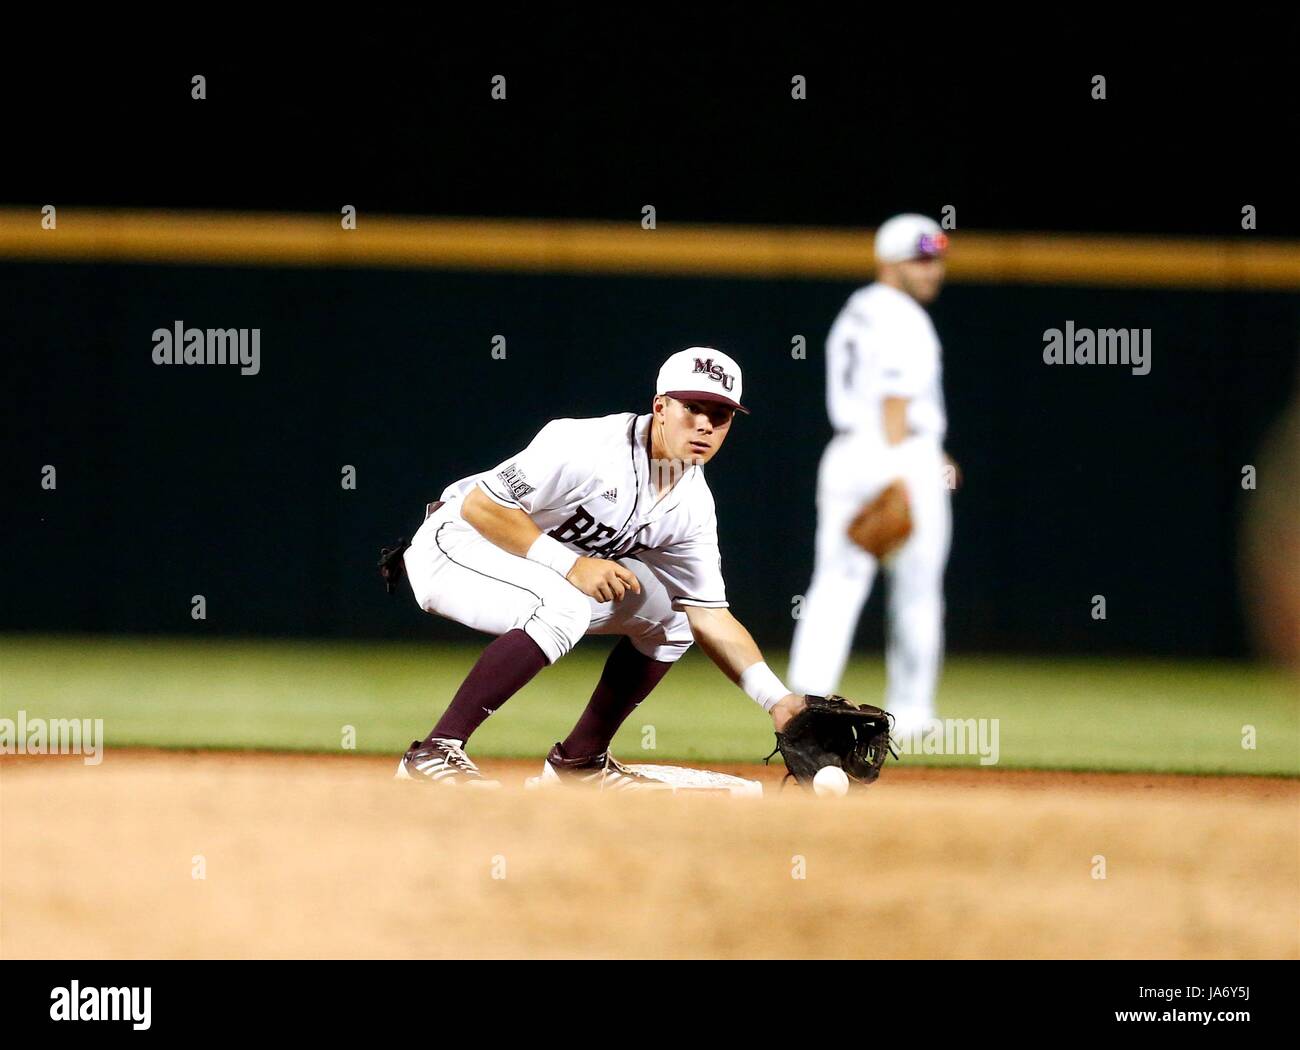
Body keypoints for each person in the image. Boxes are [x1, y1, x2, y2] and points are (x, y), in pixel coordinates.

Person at [391, 348, 806, 787]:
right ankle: (435, 750)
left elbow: (710, 615)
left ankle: (580, 763)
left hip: (537, 572)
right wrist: (571, 565)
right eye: (693, 408)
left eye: (720, 414)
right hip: (455, 546)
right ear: (661, 407)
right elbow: (481, 506)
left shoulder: (693, 506)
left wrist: (777, 701)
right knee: (564, 604)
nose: (704, 424)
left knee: (676, 616)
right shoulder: (587, 446)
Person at [788, 214, 954, 735]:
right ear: (888, 261)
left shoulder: (855, 310)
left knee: (834, 586)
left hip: (847, 454)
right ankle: (912, 713)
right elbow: (895, 399)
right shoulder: (903, 317)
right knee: (917, 591)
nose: (932, 270)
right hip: (896, 451)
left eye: (936, 259)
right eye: (919, 259)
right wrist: (902, 470)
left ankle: (804, 706)